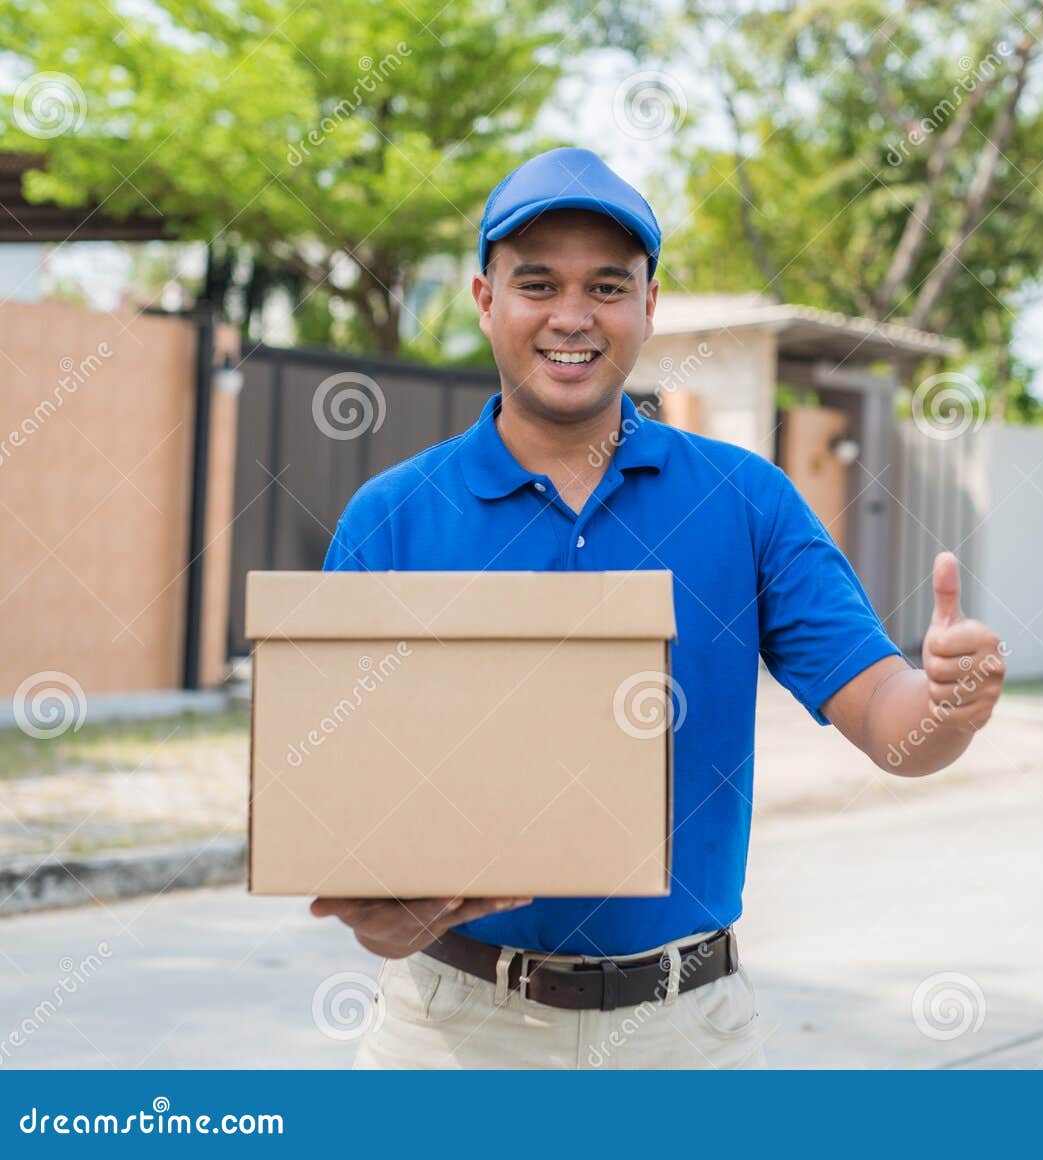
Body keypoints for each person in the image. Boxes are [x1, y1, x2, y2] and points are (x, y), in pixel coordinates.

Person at [309, 146, 1007, 1069]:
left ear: (649, 305)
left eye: (606, 287)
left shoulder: (746, 501)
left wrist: (947, 706)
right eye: (537, 284)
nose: (571, 317)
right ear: (486, 300)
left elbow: (888, 721)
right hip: (450, 1033)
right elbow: (336, 802)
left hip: (686, 1038)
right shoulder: (390, 519)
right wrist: (381, 918)